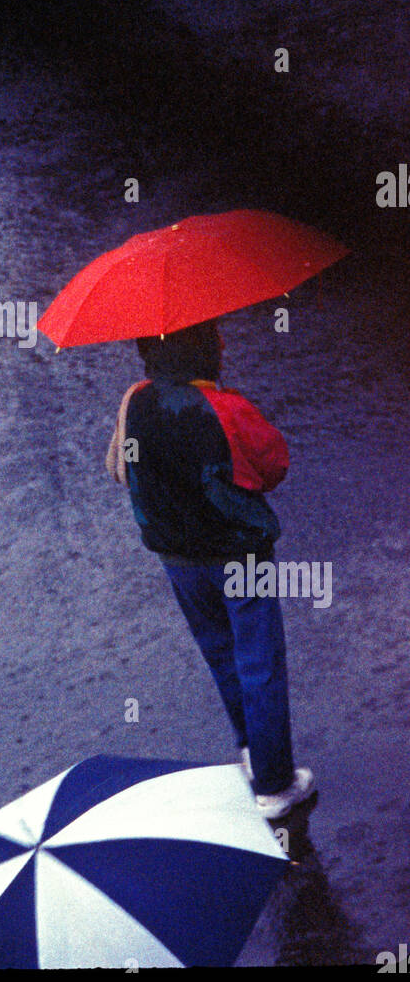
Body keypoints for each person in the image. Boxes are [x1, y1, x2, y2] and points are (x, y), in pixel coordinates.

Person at [106, 318, 314, 819]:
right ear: (203, 350)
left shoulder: (135, 399)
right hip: (238, 558)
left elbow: (118, 468)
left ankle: (249, 752)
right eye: (214, 337)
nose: (222, 342)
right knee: (259, 661)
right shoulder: (228, 408)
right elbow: (273, 468)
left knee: (221, 654)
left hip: (178, 560)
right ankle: (274, 783)